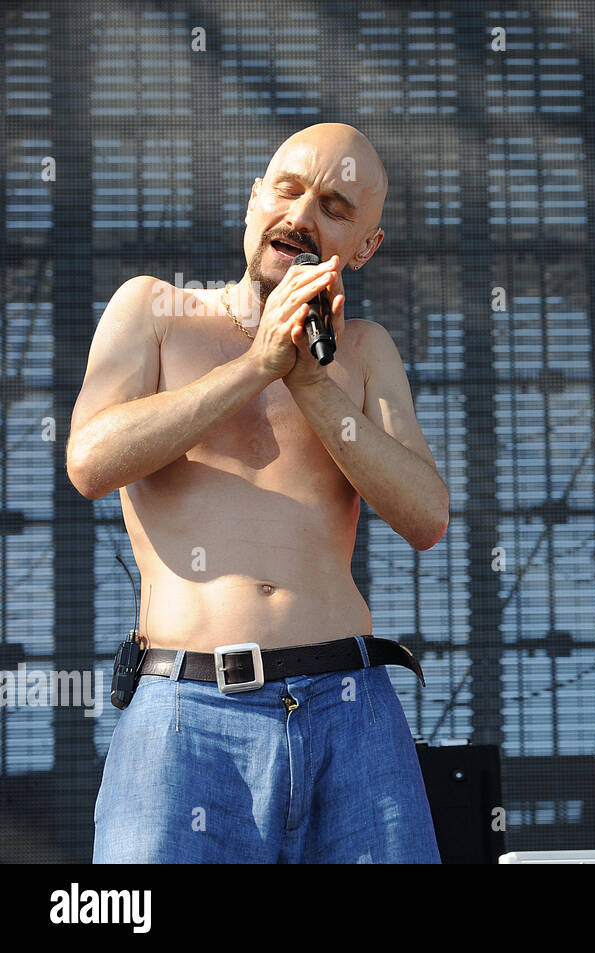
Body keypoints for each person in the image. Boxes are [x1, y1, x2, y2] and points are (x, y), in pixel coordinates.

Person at [67, 123, 449, 863]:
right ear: (253, 201)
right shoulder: (153, 309)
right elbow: (90, 459)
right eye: (288, 189)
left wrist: (307, 378)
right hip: (187, 713)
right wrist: (256, 364)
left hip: (351, 707)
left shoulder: (365, 351)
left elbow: (426, 514)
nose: (303, 216)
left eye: (336, 207)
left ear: (366, 246)